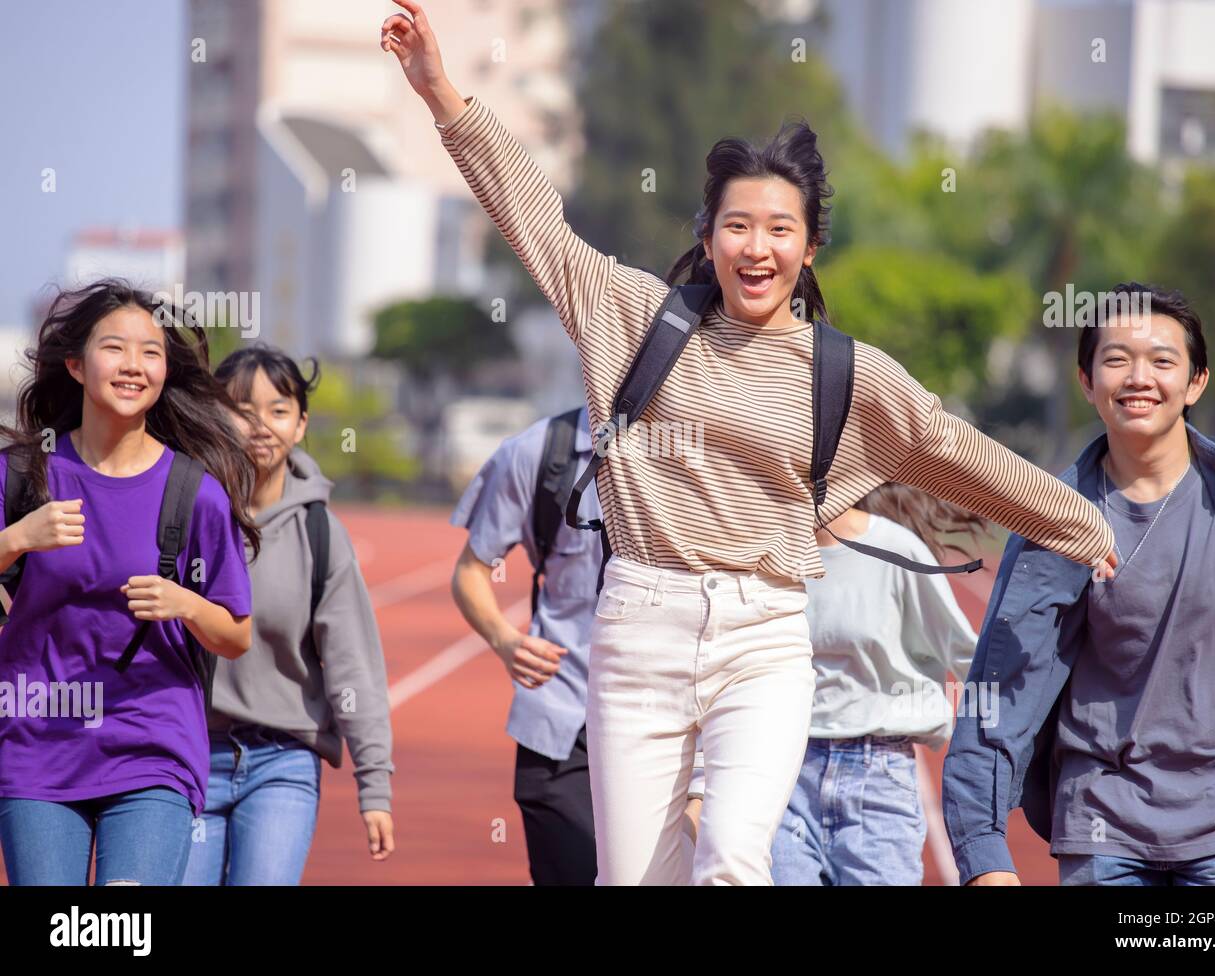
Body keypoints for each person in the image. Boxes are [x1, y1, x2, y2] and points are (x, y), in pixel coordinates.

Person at [380, 0, 1117, 885]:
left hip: (764, 632)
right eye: (737, 226)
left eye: (780, 230)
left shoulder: (844, 372)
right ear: (708, 236)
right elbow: (534, 217)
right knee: (634, 879)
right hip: (639, 624)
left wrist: (1087, 528)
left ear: (809, 249)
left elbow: (958, 451)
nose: (756, 247)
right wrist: (440, 92)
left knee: (733, 855)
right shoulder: (632, 318)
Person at [944, 282, 1215, 887]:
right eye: (1116, 360)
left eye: (1163, 361)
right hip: (1102, 820)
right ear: (1087, 381)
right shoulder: (1052, 518)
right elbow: (1003, 681)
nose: (1139, 377)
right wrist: (982, 848)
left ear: (1195, 383)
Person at [0, 280, 255, 885]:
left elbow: (236, 635)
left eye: (151, 351)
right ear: (76, 364)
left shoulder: (195, 494)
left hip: (151, 749)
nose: (133, 366)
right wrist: (16, 539)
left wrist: (186, 602)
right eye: (115, 348)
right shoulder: (21, 474)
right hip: (37, 747)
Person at [183, 344, 395, 885]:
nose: (260, 426)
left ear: (301, 425)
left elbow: (353, 667)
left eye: (278, 410)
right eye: (242, 408)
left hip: (283, 763)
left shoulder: (320, 535)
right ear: (214, 414)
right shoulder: (181, 515)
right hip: (189, 758)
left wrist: (375, 783)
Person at [768, 483, 981, 885]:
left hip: (877, 778)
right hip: (783, 772)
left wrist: (1016, 746)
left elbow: (966, 654)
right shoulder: (765, 549)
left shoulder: (897, 549)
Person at [450, 404, 603, 885]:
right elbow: (471, 571)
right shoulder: (538, 452)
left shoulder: (694, 451)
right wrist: (505, 639)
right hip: (563, 722)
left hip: (670, 723)